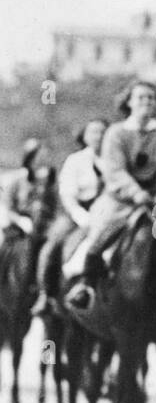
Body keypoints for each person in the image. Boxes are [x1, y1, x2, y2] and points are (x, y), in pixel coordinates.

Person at [65, 82, 156, 310]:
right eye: (141, 98)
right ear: (129, 102)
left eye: (151, 98)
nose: (147, 102)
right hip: (119, 201)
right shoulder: (116, 133)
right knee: (99, 239)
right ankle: (86, 285)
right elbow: (115, 170)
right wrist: (136, 193)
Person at [31, 120, 106, 316]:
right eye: (94, 132)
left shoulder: (114, 159)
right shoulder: (75, 160)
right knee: (52, 246)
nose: (98, 136)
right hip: (77, 212)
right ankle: (46, 294)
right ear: (85, 136)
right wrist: (82, 216)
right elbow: (67, 194)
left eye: (102, 132)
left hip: (107, 213)